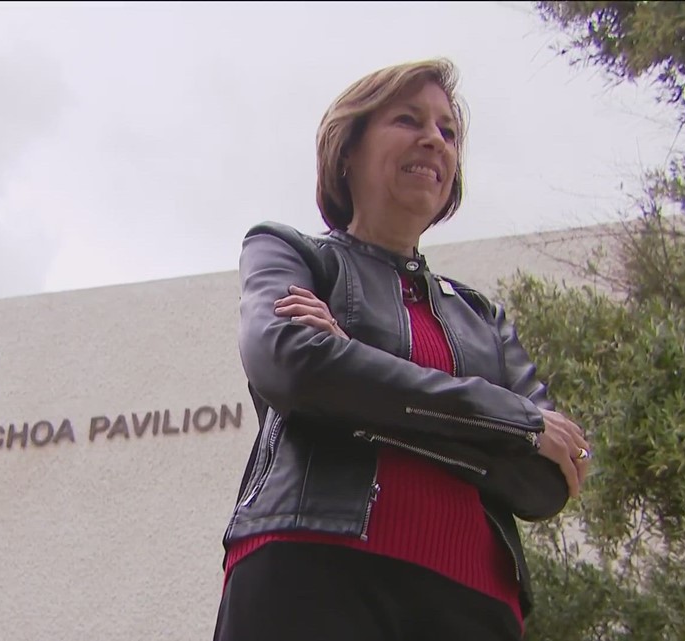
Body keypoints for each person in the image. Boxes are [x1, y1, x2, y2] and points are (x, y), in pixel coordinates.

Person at [212, 58, 592, 641]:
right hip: (310, 571)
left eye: (448, 131)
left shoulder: (483, 318)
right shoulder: (289, 253)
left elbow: (546, 481)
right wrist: (508, 421)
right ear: (348, 150)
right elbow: (291, 368)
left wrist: (352, 366)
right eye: (408, 119)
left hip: (476, 604)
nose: (433, 140)